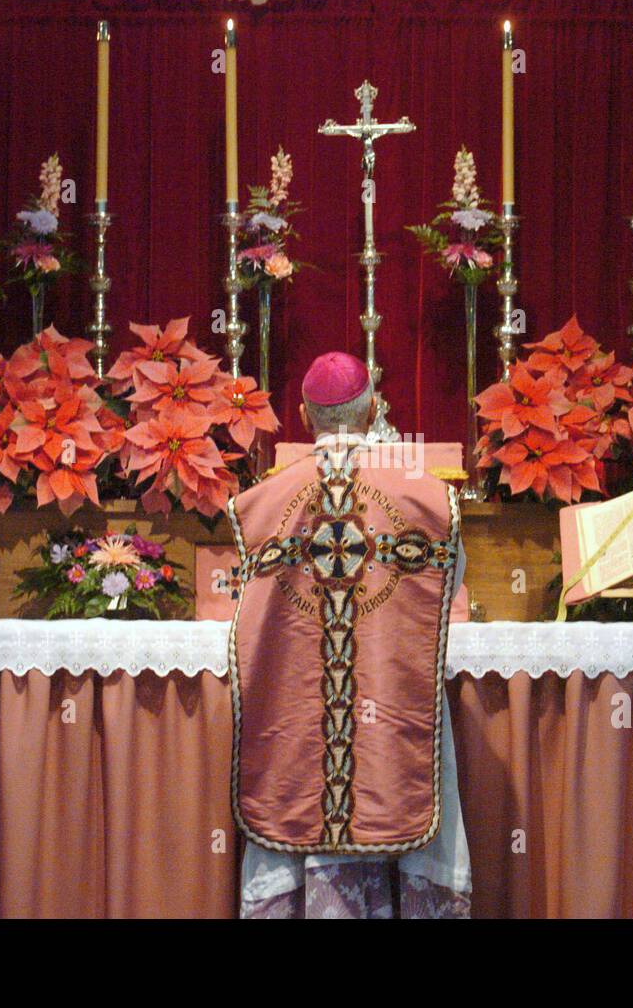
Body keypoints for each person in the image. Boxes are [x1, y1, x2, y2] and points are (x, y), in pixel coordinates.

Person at [228, 352, 471, 918]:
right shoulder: (427, 498)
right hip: (396, 721)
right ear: (371, 414)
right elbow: (448, 587)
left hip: (298, 727)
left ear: (304, 416)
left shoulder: (261, 504)